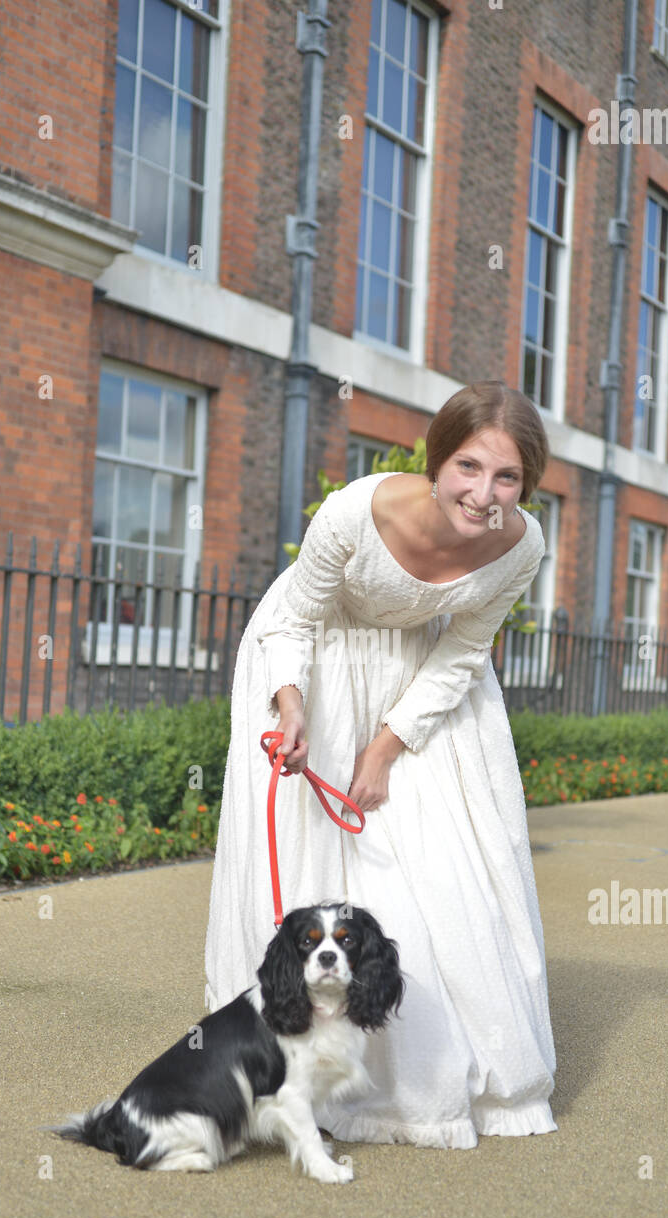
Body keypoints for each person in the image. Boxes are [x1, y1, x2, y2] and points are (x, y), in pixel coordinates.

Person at [204, 380, 557, 1148]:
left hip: (418, 676)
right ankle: (293, 1072)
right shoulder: (354, 511)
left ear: (526, 485)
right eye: (468, 467)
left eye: (507, 479)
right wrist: (290, 707)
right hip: (314, 656)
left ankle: (428, 1077)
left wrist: (384, 745)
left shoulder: (521, 545)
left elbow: (463, 650)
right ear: (436, 460)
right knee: (318, 851)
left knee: (445, 861)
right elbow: (296, 617)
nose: (483, 494)